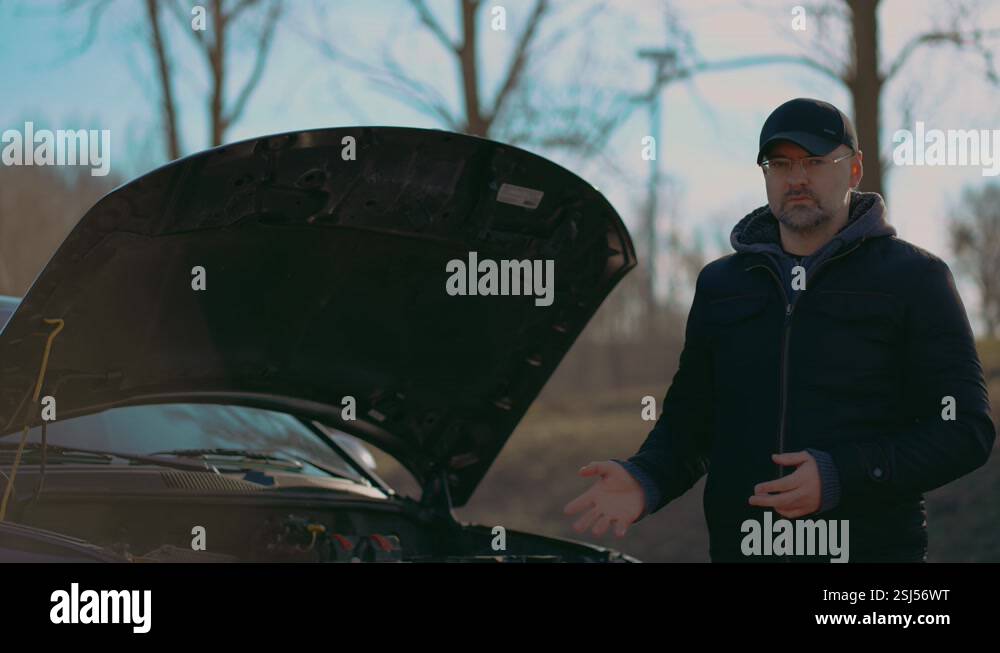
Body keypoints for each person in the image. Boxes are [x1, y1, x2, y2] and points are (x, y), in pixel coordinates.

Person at [563, 97, 996, 562]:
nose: (798, 178)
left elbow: (964, 431)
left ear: (854, 171)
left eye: (814, 161)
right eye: (781, 163)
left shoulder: (915, 280)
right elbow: (693, 423)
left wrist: (840, 475)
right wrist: (645, 477)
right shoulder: (721, 285)